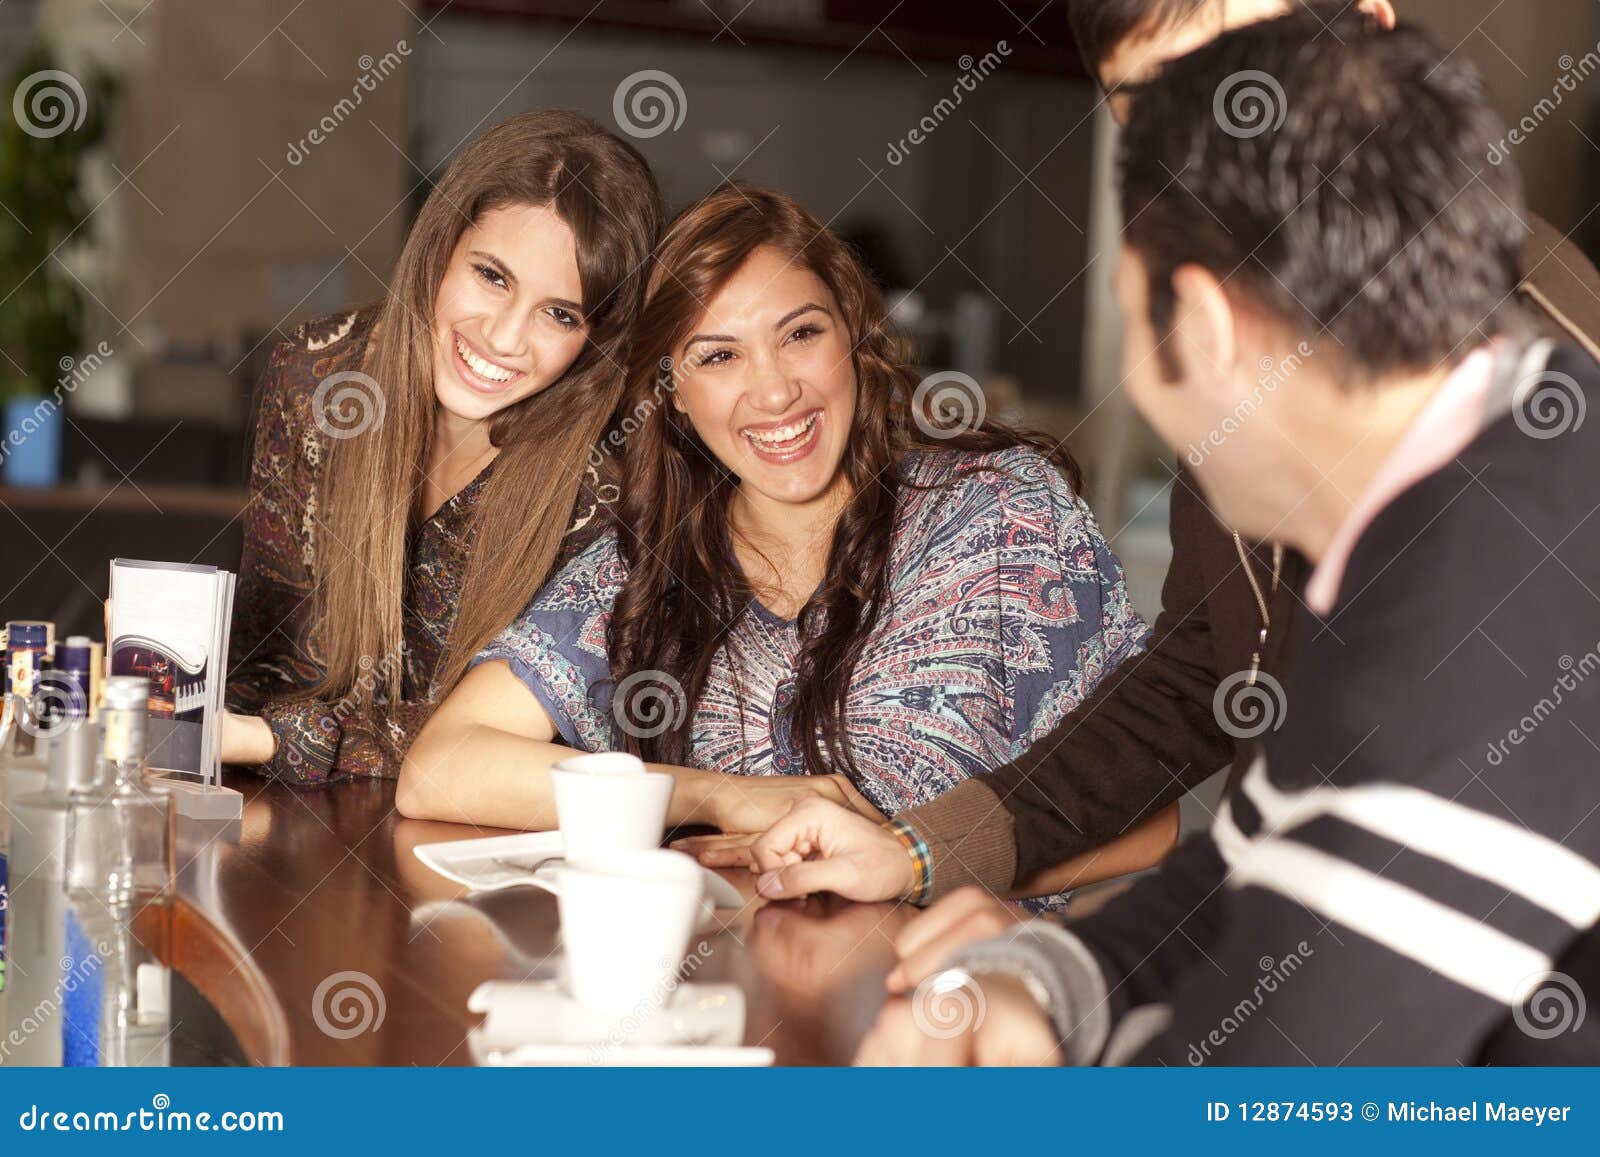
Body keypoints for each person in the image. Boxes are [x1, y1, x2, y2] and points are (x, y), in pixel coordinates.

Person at [730, 0, 1600, 913]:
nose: (1202, 148)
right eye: (1153, 102)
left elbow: (1428, 877)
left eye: (1241, 81)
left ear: (1368, 32)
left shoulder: (1533, 402)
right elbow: (1207, 670)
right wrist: (937, 859)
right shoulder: (1257, 345)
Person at [398, 185, 1171, 894]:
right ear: (669, 394)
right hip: (730, 1003)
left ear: (855, 340)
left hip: (951, 1012)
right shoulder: (645, 563)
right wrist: (715, 793)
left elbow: (1145, 822)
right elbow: (440, 768)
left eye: (800, 333)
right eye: (718, 355)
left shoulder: (1001, 514)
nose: (773, 391)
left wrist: (910, 863)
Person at [224, 111, 662, 783]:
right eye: (492, 276)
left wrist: (269, 739)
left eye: (560, 314)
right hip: (279, 824)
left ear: (596, 338)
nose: (506, 337)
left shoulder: (606, 484)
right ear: (440, 248)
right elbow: (264, 663)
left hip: (477, 853)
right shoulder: (316, 375)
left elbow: (516, 744)